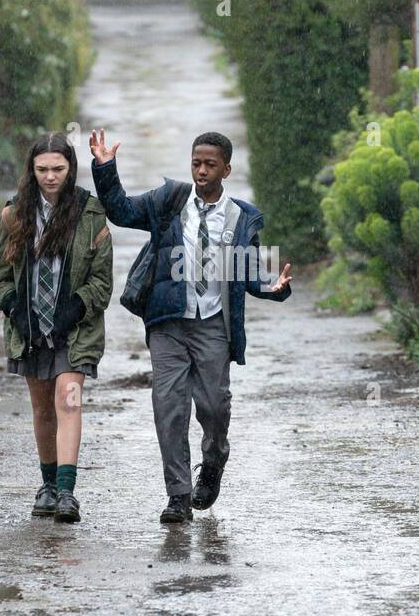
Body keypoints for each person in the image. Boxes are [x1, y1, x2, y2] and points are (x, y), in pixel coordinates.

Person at [89, 128, 292, 523]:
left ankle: (213, 462)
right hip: (167, 321)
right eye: (196, 163)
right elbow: (122, 211)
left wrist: (274, 287)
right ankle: (178, 495)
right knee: (169, 407)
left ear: (226, 169)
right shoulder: (170, 200)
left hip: (213, 324)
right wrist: (105, 168)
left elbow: (249, 273)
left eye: (210, 165)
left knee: (214, 407)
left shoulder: (241, 218)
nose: (201, 171)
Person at [0, 132, 113, 523]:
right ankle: (46, 485)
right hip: (30, 330)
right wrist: (15, 310)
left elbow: (102, 281)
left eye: (58, 169)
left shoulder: (90, 213)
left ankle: (67, 493)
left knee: (68, 400)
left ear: (71, 169)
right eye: (42, 169)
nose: (50, 177)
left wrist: (75, 308)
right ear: (32, 170)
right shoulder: (14, 215)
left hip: (74, 330)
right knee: (43, 409)